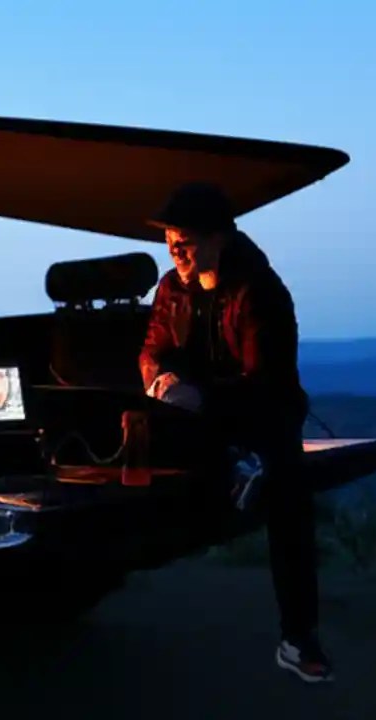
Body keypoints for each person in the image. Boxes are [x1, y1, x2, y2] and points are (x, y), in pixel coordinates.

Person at [139, 181, 333, 683]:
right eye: (171, 240)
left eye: (186, 240)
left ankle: (298, 637)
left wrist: (205, 399)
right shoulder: (170, 289)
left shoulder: (259, 292)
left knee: (289, 499)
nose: (176, 250)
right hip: (191, 411)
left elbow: (267, 381)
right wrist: (161, 381)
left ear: (219, 237)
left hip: (260, 414)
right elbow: (152, 349)